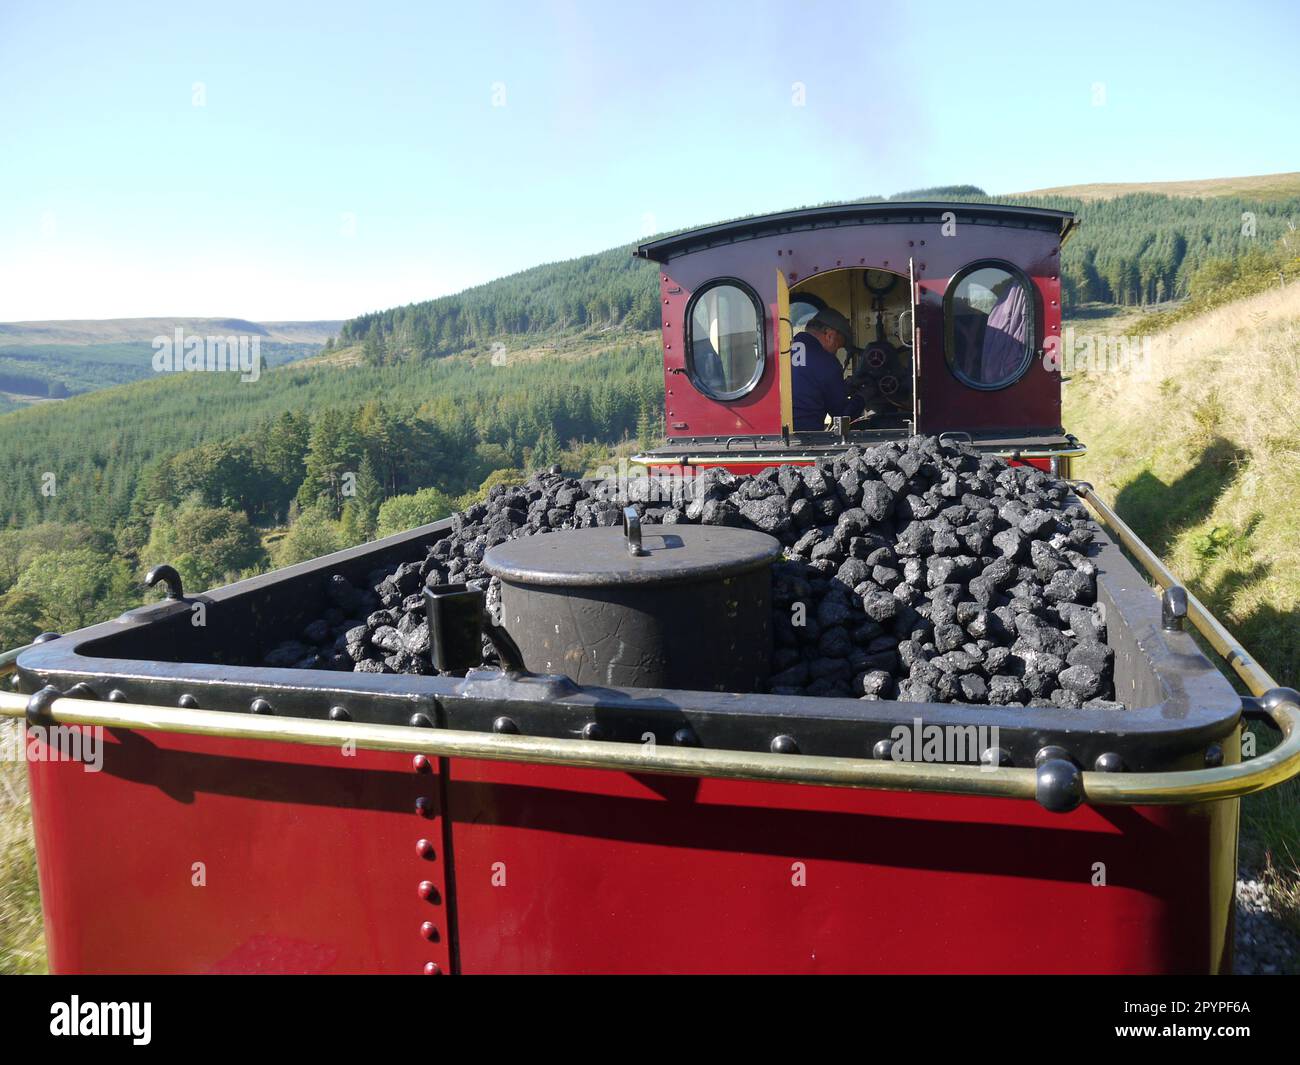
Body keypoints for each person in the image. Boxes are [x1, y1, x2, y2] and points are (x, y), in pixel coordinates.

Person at [790, 307, 865, 431]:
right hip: (807, 436)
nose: (835, 353)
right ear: (830, 336)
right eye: (837, 347)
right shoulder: (827, 362)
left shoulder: (783, 351)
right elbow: (842, 415)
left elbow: (808, 385)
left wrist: (845, 387)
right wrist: (863, 397)